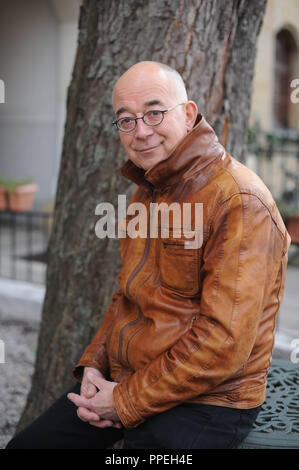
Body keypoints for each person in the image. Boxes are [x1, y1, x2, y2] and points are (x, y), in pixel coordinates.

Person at [6, 61, 291, 449]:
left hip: (210, 400)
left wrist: (121, 402)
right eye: (126, 120)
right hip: (135, 380)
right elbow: (128, 294)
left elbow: (223, 343)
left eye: (155, 113)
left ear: (188, 114)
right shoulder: (149, 191)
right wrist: (95, 363)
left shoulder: (240, 200)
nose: (140, 132)